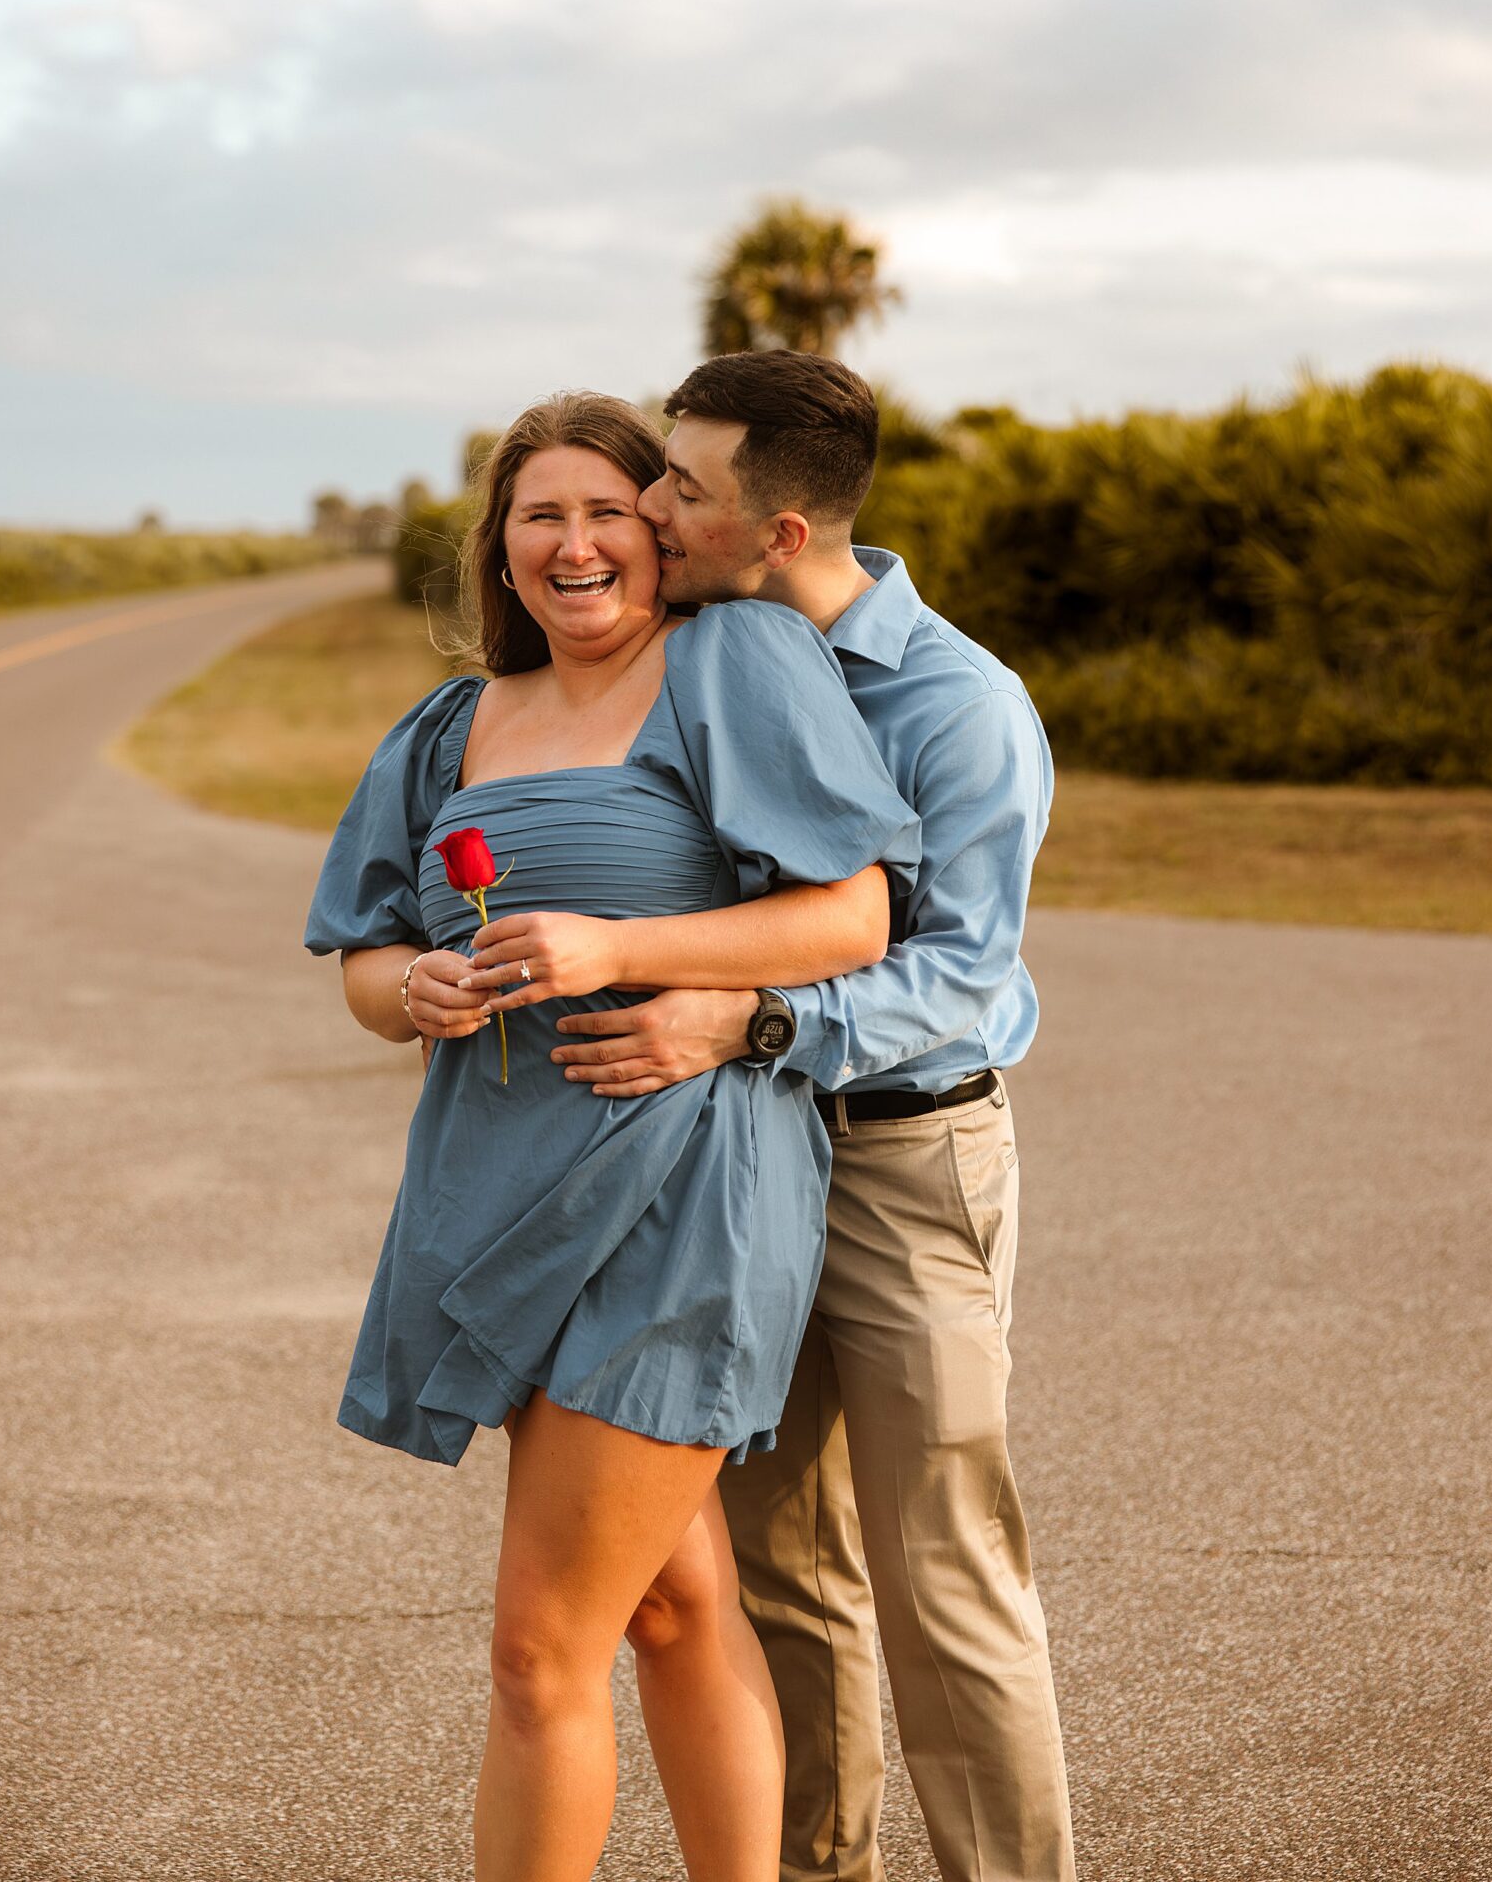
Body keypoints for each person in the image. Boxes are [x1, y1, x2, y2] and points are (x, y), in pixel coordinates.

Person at [303, 390, 920, 1882]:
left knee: (539, 1649)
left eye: (607, 513)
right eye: (540, 518)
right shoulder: (452, 724)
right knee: (668, 1606)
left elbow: (855, 915)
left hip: (684, 1188)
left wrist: (615, 951)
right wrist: (423, 986)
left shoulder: (732, 660)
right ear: (499, 553)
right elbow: (364, 967)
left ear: (658, 533)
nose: (576, 545)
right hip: (504, 1192)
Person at [496, 351, 1077, 1882]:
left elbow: (956, 976)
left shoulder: (961, 705)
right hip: (735, 1162)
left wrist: (754, 1015)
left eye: (685, 485)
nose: (652, 505)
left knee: (942, 1575)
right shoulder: (703, 654)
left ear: (785, 525)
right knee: (781, 1575)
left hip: (901, 1154)